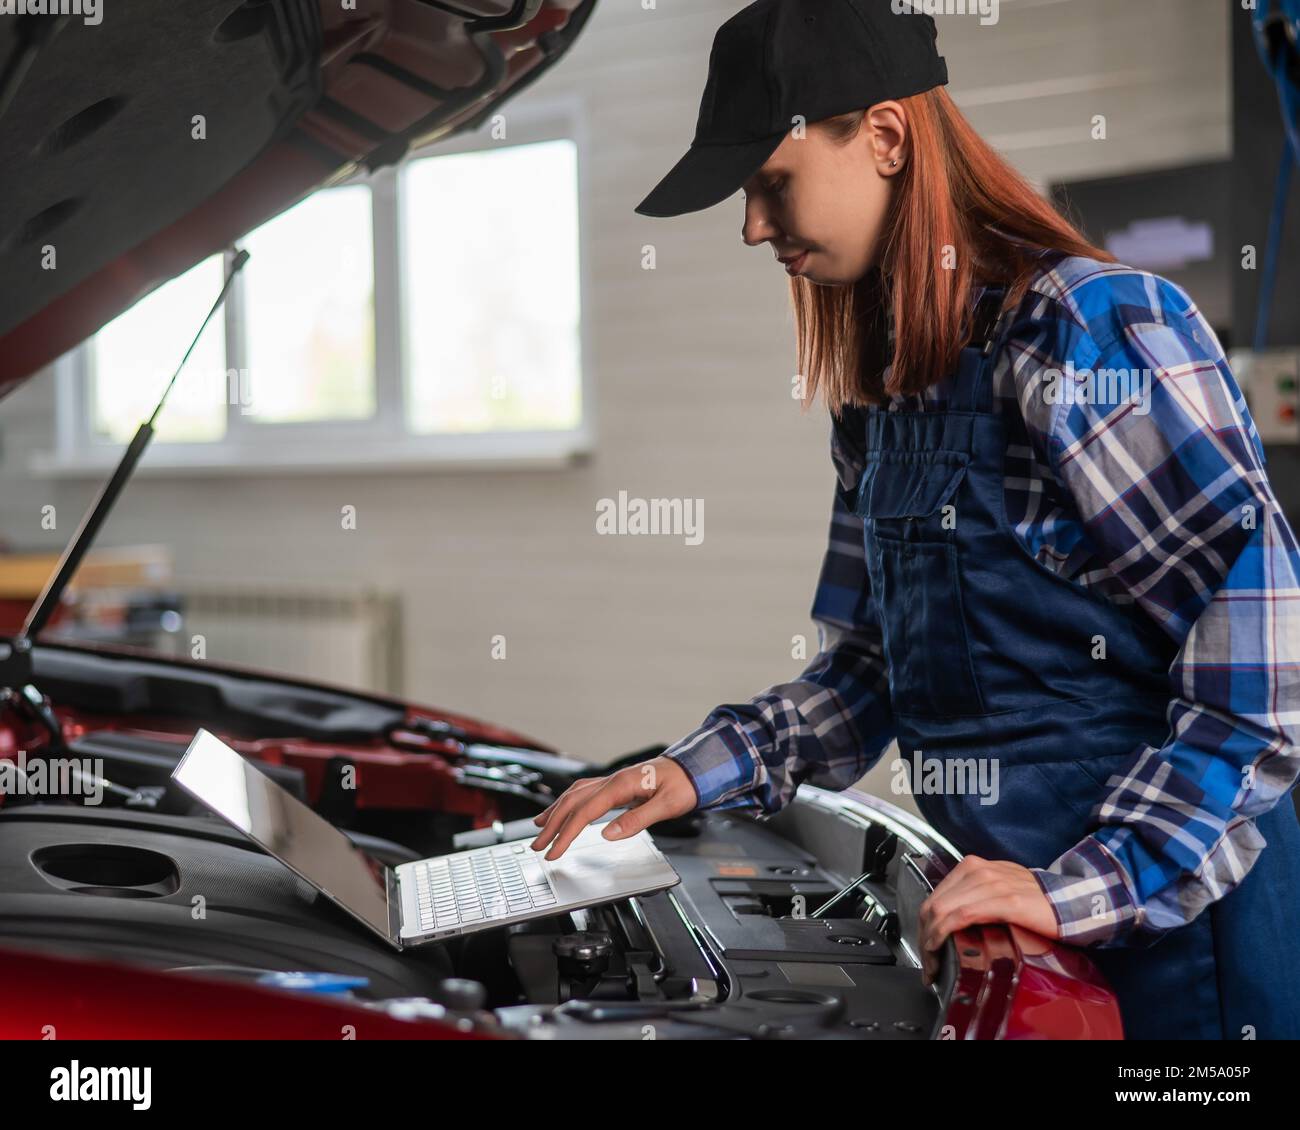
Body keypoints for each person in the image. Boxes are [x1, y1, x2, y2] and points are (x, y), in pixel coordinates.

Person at [530, 0, 1300, 1039]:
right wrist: (688, 769)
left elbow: (1260, 639)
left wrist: (1092, 881)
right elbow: (875, 671)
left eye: (771, 182)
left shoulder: (1087, 331)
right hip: (1013, 926)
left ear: (884, 137)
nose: (754, 226)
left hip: (1177, 935)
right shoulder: (886, 391)